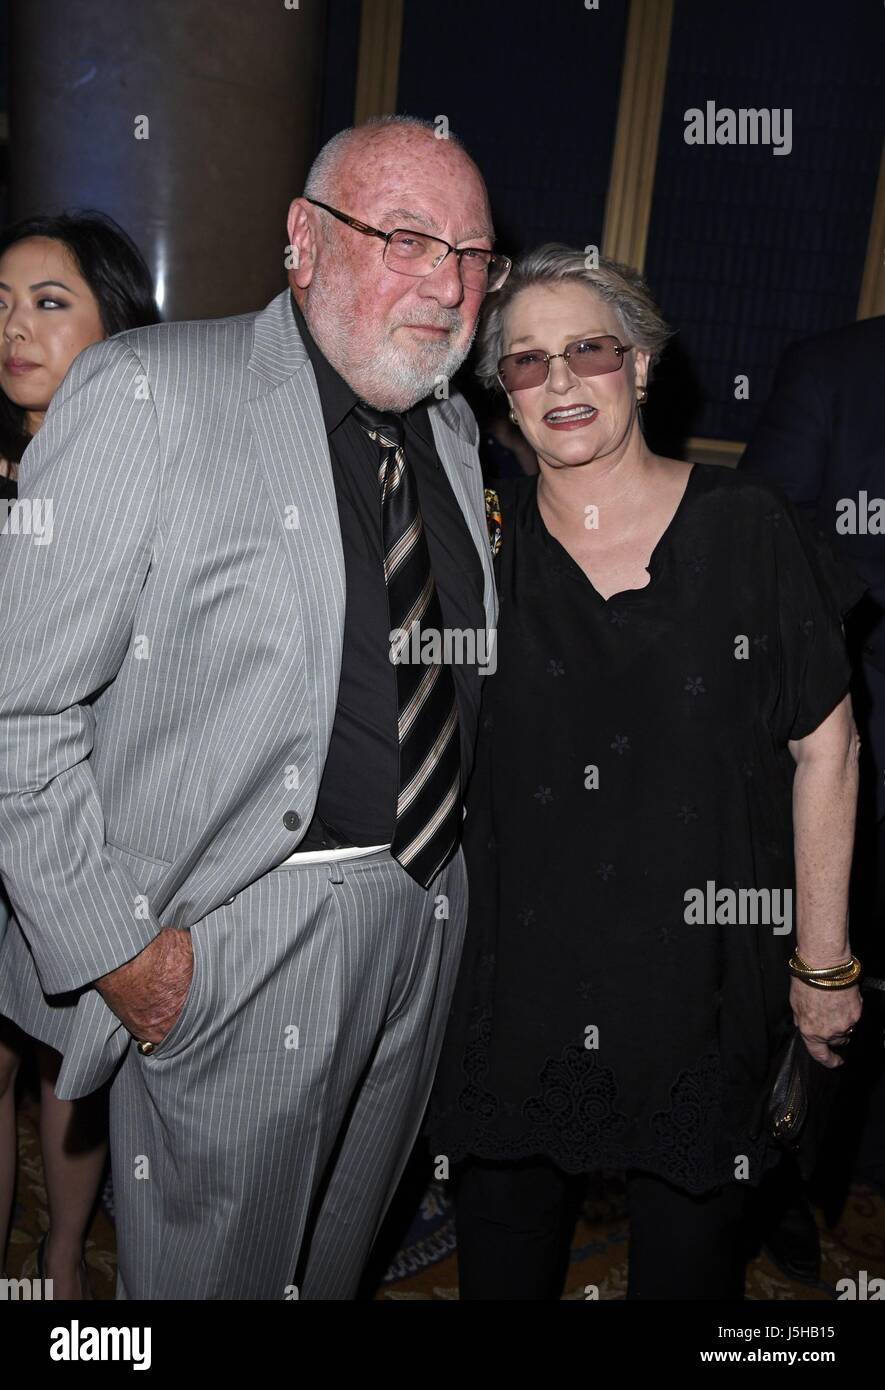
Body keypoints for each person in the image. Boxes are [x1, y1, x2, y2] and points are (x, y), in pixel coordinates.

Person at [0, 117, 505, 1299]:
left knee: (334, 1266)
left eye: (474, 255)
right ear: (303, 240)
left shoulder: (449, 425)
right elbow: (17, 711)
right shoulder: (149, 390)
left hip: (424, 915)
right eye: (405, 239)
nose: (448, 284)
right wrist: (121, 954)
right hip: (241, 935)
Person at [429, 244, 864, 1300]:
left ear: (641, 362)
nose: (560, 380)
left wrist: (822, 965)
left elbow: (828, 748)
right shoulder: (477, 547)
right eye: (526, 361)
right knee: (502, 1265)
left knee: (688, 1274)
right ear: (502, 393)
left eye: (589, 349)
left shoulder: (748, 527)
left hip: (700, 983)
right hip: (514, 982)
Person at [0, 211, 159, 1297]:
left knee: (70, 1060)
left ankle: (61, 1266)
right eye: (3, 305)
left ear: (117, 326)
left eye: (50, 303)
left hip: (72, 814)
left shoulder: (146, 475)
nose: (16, 327)